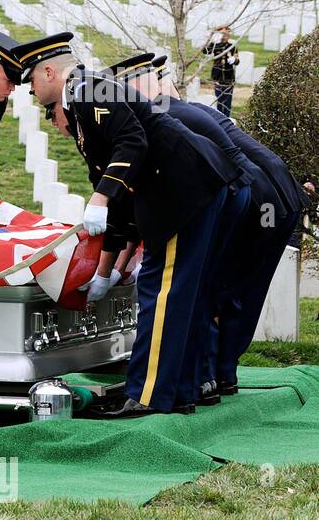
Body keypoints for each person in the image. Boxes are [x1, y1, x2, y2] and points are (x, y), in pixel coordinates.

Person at [18, 32, 241, 415]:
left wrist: (100, 198)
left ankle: (149, 395)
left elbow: (132, 143)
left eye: (33, 82)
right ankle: (181, 390)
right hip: (189, 188)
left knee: (162, 290)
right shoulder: (84, 99)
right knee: (180, 290)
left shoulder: (88, 89)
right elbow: (118, 200)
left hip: (181, 190)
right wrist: (105, 271)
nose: (34, 92)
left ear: (50, 72)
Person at [112, 52, 257, 406]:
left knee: (166, 290)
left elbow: (142, 189)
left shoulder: (157, 116)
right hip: (233, 192)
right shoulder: (169, 110)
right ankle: (198, 383)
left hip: (210, 196)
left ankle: (154, 393)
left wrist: (117, 262)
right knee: (197, 290)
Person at [202, 26, 239, 118]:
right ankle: (219, 118)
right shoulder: (215, 45)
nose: (225, 36)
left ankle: (227, 117)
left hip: (228, 76)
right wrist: (211, 39)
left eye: (227, 34)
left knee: (227, 101)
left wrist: (234, 60)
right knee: (218, 99)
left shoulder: (232, 46)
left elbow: (237, 61)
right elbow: (205, 51)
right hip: (218, 76)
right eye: (223, 34)